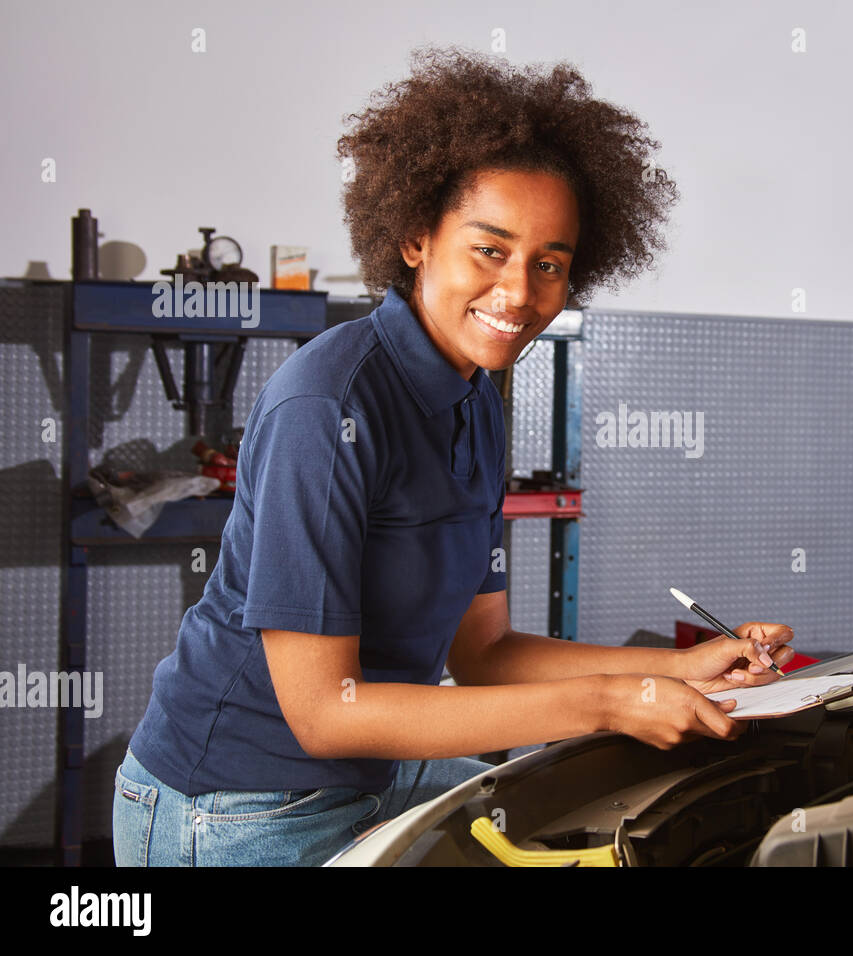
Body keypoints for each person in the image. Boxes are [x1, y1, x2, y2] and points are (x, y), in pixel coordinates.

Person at [112, 46, 795, 867]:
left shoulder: (477, 398)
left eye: (550, 264)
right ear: (414, 238)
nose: (519, 292)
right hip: (236, 803)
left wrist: (681, 667)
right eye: (489, 249)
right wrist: (613, 703)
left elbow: (484, 654)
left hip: (373, 775)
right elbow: (325, 711)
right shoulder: (327, 408)